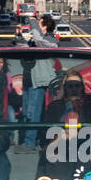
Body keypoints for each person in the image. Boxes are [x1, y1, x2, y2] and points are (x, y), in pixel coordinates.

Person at [21, 18, 59, 149]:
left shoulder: (51, 40)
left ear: (45, 27)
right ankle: (35, 139)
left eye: (39, 24)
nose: (36, 26)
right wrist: (19, 35)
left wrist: (32, 22)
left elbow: (39, 40)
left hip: (39, 81)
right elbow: (19, 47)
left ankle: (29, 143)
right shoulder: (34, 39)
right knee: (27, 113)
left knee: (33, 113)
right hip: (29, 79)